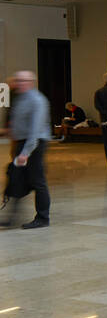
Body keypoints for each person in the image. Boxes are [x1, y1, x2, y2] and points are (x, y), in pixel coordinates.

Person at [0, 71, 52, 229]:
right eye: (18, 80)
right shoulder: (20, 98)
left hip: (34, 144)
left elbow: (35, 131)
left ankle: (43, 218)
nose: (19, 83)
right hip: (21, 142)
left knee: (37, 181)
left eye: (23, 80)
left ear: (31, 82)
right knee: (16, 179)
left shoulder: (38, 100)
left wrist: (25, 153)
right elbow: (16, 122)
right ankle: (11, 218)